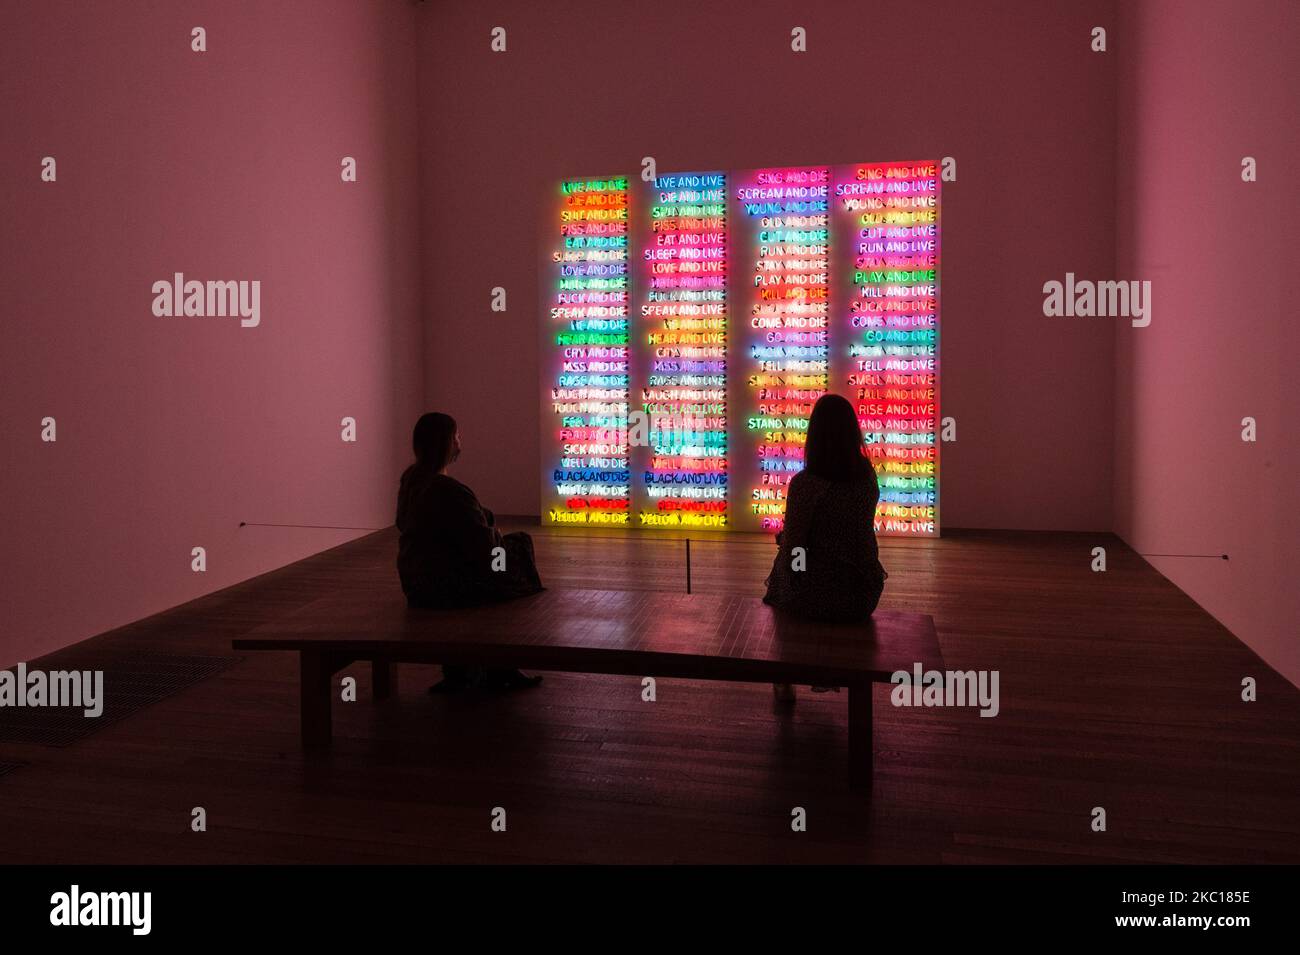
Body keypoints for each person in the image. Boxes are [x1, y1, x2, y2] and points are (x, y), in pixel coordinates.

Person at [396, 412, 545, 693]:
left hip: (416, 580)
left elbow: (407, 525)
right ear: (447, 443)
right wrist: (494, 530)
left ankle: (467, 670)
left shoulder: (411, 482)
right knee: (518, 550)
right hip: (446, 584)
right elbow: (484, 550)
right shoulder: (447, 489)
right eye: (457, 436)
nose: (460, 442)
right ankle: (499, 667)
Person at [763, 394, 889, 702]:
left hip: (816, 595)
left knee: (783, 570)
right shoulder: (866, 478)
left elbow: (796, 550)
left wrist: (791, 576)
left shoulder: (806, 483)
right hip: (861, 593)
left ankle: (784, 674)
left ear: (814, 435)